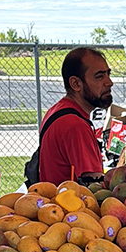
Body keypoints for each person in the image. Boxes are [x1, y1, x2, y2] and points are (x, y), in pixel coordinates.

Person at [35, 47, 113, 186]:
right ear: (76, 84)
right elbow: (96, 187)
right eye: (99, 76)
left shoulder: (57, 110)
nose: (109, 82)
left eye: (108, 74)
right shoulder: (75, 125)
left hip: (56, 196)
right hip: (69, 199)